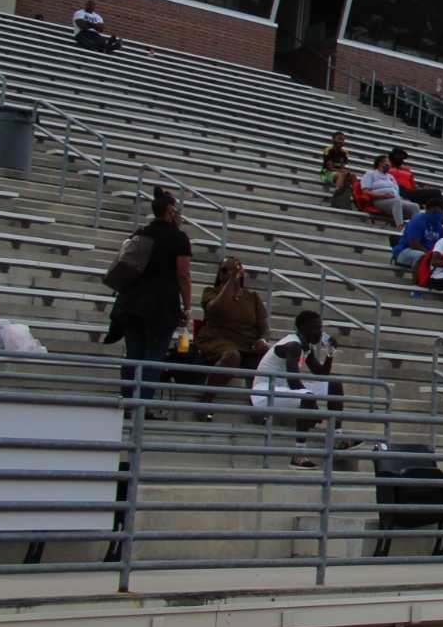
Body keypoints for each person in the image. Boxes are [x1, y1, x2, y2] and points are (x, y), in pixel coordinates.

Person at [107, 188, 192, 403]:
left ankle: (127, 402)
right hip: (161, 306)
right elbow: (183, 274)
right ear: (169, 210)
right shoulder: (178, 238)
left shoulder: (141, 233)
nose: (179, 214)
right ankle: (142, 405)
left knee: (133, 354)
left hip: (131, 302)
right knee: (153, 356)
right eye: (176, 210)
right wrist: (188, 306)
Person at [252, 311, 347, 468]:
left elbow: (321, 374)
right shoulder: (293, 345)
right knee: (307, 397)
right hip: (264, 392)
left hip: (283, 387)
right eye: (315, 328)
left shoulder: (305, 346)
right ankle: (298, 455)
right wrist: (314, 407)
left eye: (320, 328)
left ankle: (337, 437)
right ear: (303, 329)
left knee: (334, 385)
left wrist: (330, 353)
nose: (319, 333)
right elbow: (294, 382)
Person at [195, 256, 267, 404]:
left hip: (247, 343)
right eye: (223, 270)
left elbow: (264, 326)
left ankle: (258, 403)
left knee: (268, 356)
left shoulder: (252, 297)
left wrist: (263, 339)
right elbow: (216, 308)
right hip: (217, 339)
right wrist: (231, 282)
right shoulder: (211, 292)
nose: (227, 273)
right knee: (232, 356)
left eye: (232, 270)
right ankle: (207, 399)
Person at [390, 198, 443, 275]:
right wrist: (430, 255)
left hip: (427, 253)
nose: (440, 213)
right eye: (437, 210)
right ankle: (418, 279)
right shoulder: (417, 221)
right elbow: (413, 244)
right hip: (406, 251)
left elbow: (440, 245)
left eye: (441, 210)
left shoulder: (439, 226)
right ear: (429, 209)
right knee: (422, 256)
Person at [358, 154, 416, 224]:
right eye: (387, 162)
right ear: (380, 163)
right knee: (397, 202)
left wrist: (401, 198)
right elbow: (365, 191)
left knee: (415, 206)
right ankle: (400, 226)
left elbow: (396, 191)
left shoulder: (390, 177)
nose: (389, 164)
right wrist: (383, 196)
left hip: (395, 199)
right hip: (380, 200)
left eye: (389, 163)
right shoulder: (370, 174)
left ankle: (415, 228)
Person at [320, 133, 358, 207]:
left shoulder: (344, 152)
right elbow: (330, 168)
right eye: (339, 139)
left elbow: (342, 167)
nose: (341, 141)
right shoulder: (328, 150)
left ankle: (355, 198)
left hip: (337, 173)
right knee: (341, 175)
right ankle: (336, 200)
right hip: (326, 173)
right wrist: (343, 171)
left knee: (352, 176)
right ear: (333, 139)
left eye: (343, 139)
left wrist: (346, 172)